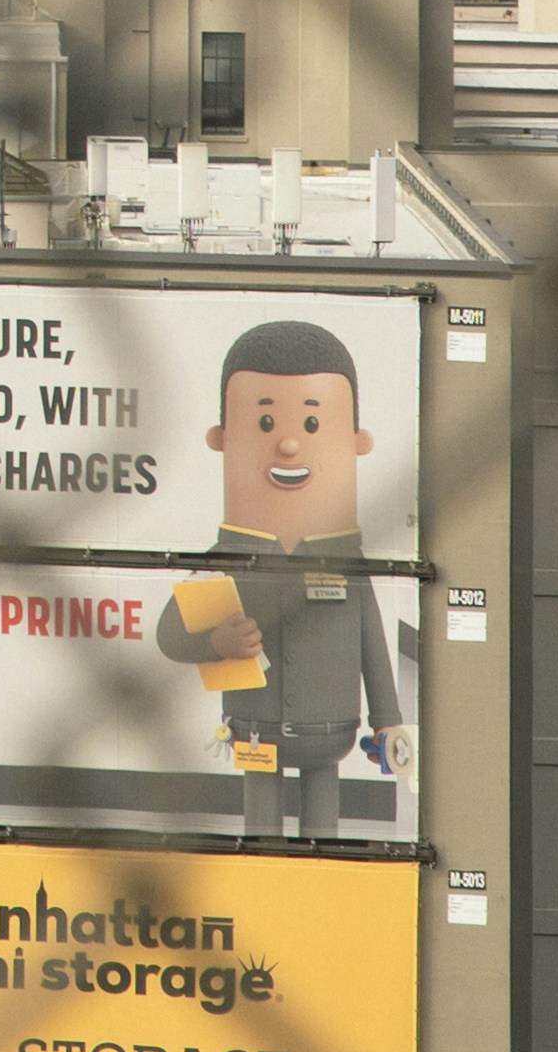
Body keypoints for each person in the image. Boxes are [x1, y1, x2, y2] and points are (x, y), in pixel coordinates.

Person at [155, 316, 406, 849]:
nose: (289, 445)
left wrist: (388, 721)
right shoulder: (224, 560)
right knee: (259, 833)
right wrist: (216, 644)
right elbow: (170, 635)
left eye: (313, 425)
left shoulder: (348, 562)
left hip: (331, 730)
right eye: (265, 424)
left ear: (356, 442)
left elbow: (373, 646)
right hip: (255, 728)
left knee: (325, 832)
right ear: (222, 440)